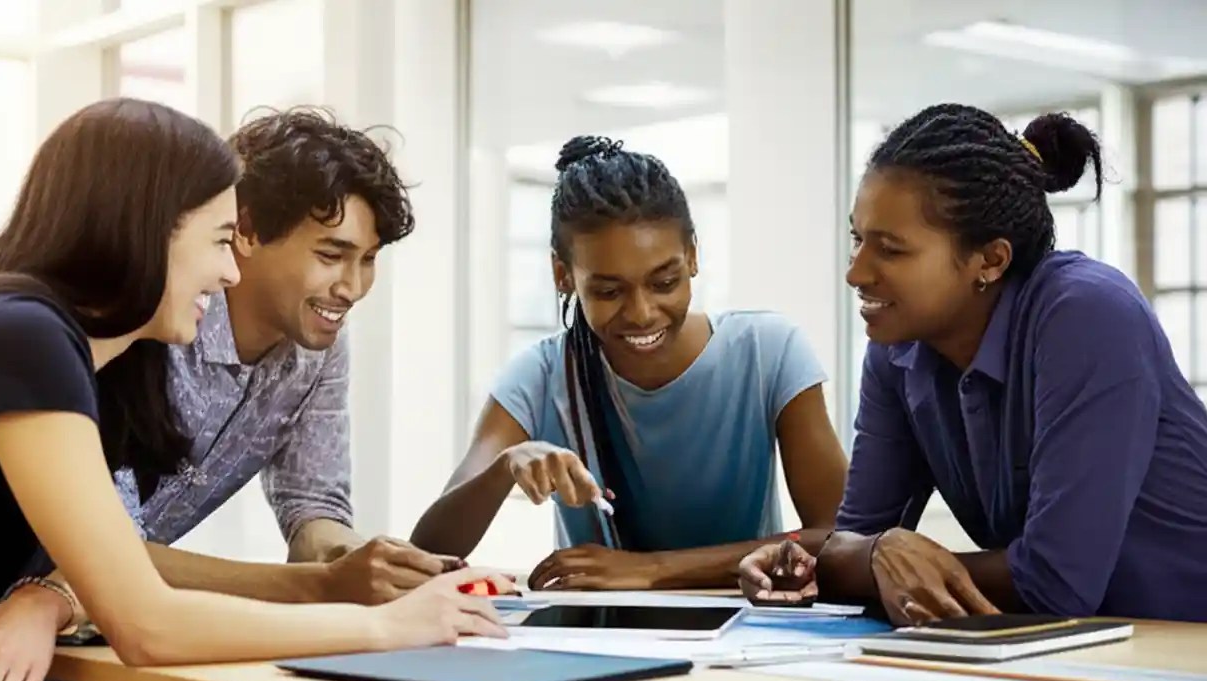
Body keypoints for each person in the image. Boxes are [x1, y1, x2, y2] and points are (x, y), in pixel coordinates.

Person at [0, 98, 506, 681]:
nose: (230, 271)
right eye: (221, 240)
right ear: (146, 230)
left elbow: (117, 582)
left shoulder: (23, 328)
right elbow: (146, 623)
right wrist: (389, 625)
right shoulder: (28, 338)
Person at [739, 104, 1207, 625]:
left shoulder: (1088, 315)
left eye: (890, 250)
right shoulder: (898, 350)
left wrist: (879, 562)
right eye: (857, 239)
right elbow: (855, 537)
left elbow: (1056, 582)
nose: (856, 273)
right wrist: (862, 557)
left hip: (1185, 640)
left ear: (991, 260)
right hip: (1082, 646)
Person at [412, 135, 848, 591]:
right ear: (563, 275)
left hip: (746, 622)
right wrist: (504, 468)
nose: (641, 313)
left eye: (664, 282)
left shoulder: (768, 352)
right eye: (608, 291)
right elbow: (427, 553)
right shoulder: (540, 377)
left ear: (693, 256)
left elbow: (838, 539)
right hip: (600, 629)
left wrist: (652, 569)